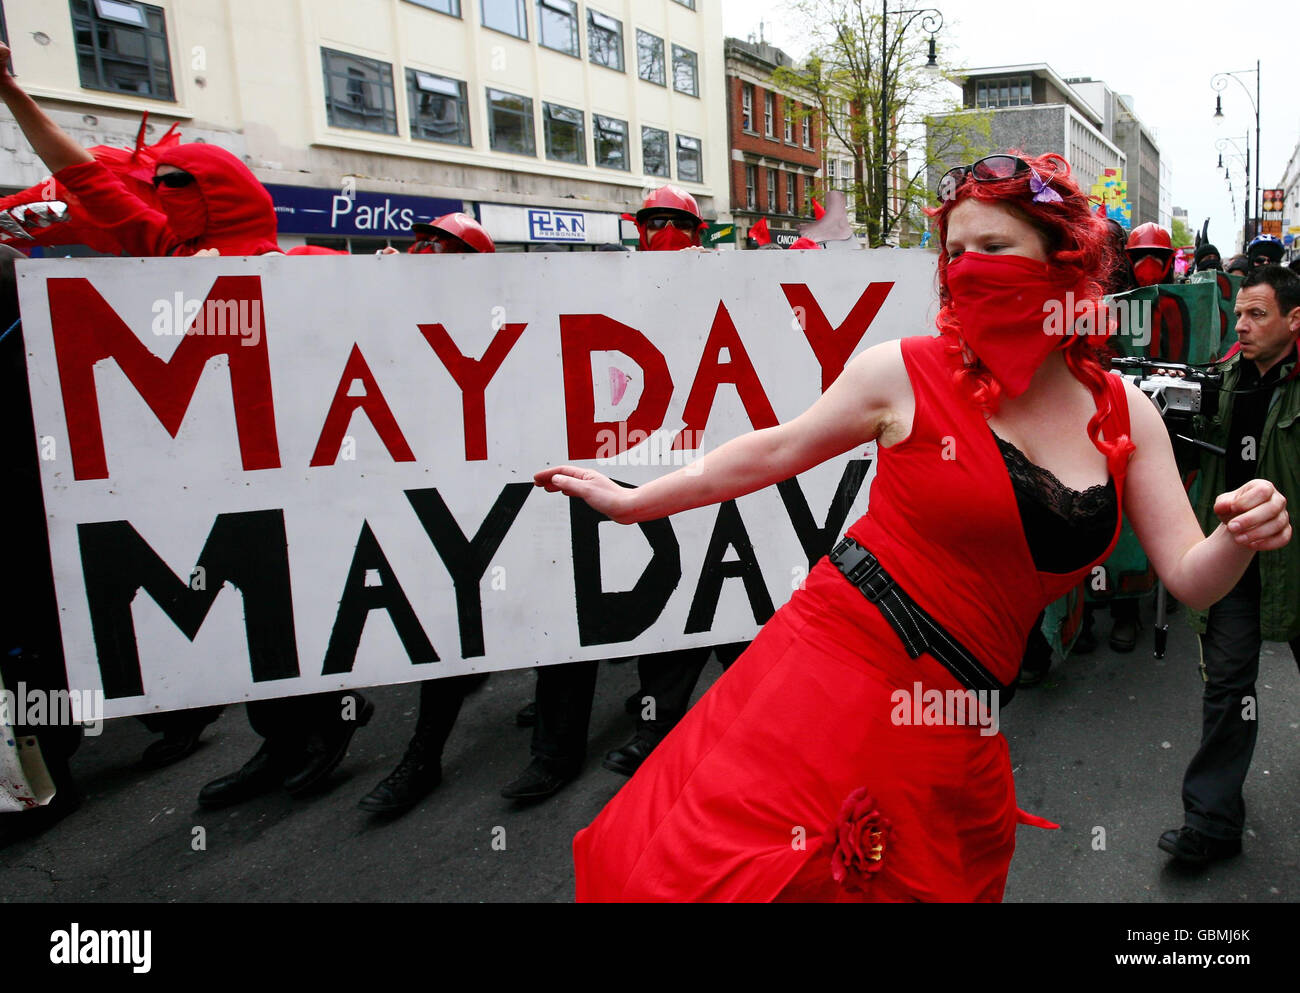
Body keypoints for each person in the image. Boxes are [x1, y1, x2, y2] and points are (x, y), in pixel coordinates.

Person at [534, 152, 1290, 902]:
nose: (969, 268)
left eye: (995, 248)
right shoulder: (902, 370)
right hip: (834, 671)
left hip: (962, 716)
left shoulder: (1127, 415)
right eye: (955, 252)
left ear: (1066, 259)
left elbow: (1190, 576)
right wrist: (636, 502)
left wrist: (1236, 536)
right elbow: (771, 449)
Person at [0, 44, 373, 805]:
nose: (160, 197)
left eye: (177, 185)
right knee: (238, 621)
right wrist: (11, 94)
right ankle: (280, 738)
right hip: (195, 478)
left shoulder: (303, 271)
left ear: (219, 195)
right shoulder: (164, 252)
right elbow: (87, 181)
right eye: (160, 186)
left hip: (293, 475)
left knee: (291, 610)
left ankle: (331, 717)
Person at [1159, 264, 1300, 864]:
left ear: (1295, 320)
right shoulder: (1217, 379)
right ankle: (1212, 824)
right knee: (1226, 688)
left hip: (1298, 564)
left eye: (1256, 314)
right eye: (1238, 313)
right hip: (1236, 554)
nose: (1239, 325)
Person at [358, 217, 495, 815]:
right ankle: (422, 756)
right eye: (428, 243)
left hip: (511, 494)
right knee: (447, 622)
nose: (429, 253)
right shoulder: (397, 317)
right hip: (439, 497)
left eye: (448, 248)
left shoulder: (512, 315)